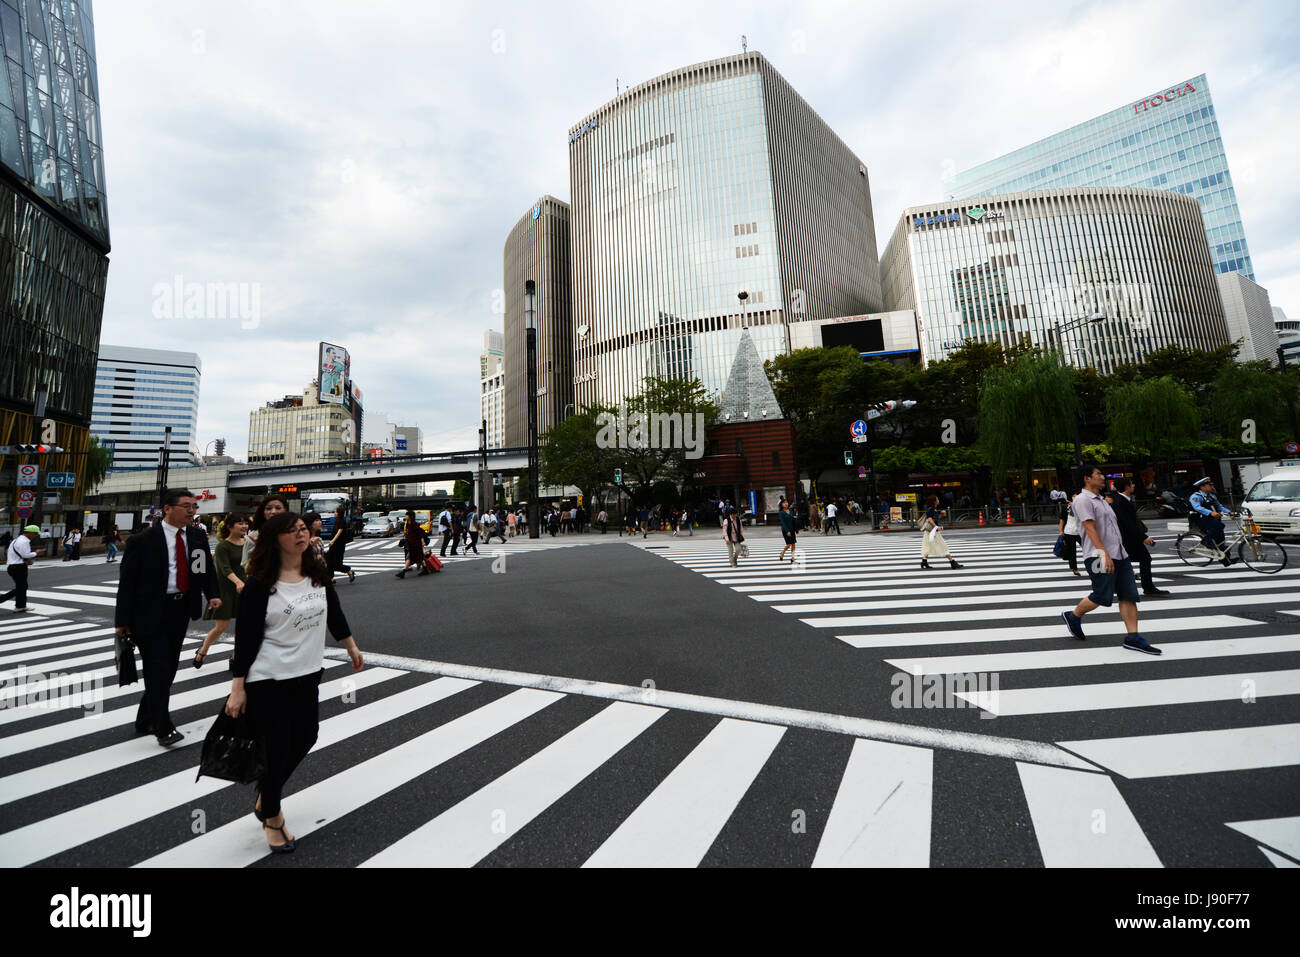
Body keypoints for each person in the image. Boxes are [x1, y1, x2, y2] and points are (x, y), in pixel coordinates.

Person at [226, 511, 364, 854]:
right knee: (277, 747)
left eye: (303, 528)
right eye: (291, 531)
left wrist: (350, 645)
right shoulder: (260, 583)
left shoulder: (316, 571)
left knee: (307, 735)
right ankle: (272, 814)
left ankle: (266, 796)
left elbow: (332, 608)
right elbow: (246, 638)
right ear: (275, 540)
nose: (300, 535)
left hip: (307, 673)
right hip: (268, 678)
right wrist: (237, 686)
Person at [114, 488, 222, 746]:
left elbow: (202, 568)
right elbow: (127, 584)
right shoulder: (143, 541)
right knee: (158, 667)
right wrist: (121, 621)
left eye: (194, 507)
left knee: (167, 668)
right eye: (186, 506)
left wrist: (213, 594)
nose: (191, 511)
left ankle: (144, 719)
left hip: (181, 609)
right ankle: (163, 727)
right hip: (148, 612)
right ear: (167, 509)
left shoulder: (196, 536)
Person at [1061, 465, 1160, 655]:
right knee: (1101, 595)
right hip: (1098, 555)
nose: (1102, 477)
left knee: (1129, 595)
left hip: (1120, 554)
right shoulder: (1082, 500)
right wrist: (1104, 553)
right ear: (1086, 478)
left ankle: (1133, 637)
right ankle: (1073, 616)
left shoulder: (1103, 500)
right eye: (1098, 474)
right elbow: (1090, 529)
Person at [195, 513, 249, 668]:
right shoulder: (222, 546)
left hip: (244, 589)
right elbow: (225, 569)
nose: (244, 526)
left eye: (245, 523)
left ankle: (235, 658)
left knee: (242, 627)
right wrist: (238, 582)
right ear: (230, 527)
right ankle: (203, 651)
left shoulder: (248, 543)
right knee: (221, 627)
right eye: (240, 523)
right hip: (225, 590)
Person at [1110, 476, 1168, 596]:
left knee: (1127, 561)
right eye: (1132, 484)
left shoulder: (1123, 500)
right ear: (1127, 486)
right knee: (1143, 559)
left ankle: (1119, 585)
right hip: (1127, 539)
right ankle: (1147, 587)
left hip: (1128, 538)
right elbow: (1128, 523)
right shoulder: (1121, 502)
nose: (1134, 486)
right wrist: (1143, 537)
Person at [1189, 476, 1233, 567]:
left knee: (1221, 540)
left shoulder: (1212, 496)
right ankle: (1206, 541)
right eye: (1209, 485)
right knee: (1220, 526)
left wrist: (1229, 512)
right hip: (1200, 520)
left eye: (1211, 485)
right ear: (1202, 487)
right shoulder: (1196, 496)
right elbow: (1197, 507)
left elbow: (1219, 506)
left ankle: (1226, 560)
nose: (1212, 487)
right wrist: (1211, 512)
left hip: (1212, 520)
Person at [1, 525, 41, 612]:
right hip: (19, 567)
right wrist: (35, 553)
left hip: (13, 566)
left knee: (22, 587)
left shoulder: (17, 540)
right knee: (21, 587)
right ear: (30, 533)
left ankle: (20, 606)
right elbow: (25, 555)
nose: (35, 536)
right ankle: (14, 604)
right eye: (35, 534)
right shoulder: (24, 542)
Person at [243, 494, 289, 567]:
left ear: (285, 510)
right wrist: (261, 548)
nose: (273, 512)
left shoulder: (292, 533)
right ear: (263, 512)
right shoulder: (254, 535)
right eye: (268, 508)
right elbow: (246, 566)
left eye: (278, 508)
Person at [918, 495, 963, 569]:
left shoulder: (934, 509)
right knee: (943, 545)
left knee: (928, 546)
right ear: (934, 501)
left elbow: (934, 519)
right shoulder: (931, 509)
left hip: (930, 532)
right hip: (932, 532)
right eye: (937, 499)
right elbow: (929, 519)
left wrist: (941, 515)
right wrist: (936, 527)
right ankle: (952, 562)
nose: (938, 500)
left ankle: (924, 561)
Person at [324, 506, 356, 583]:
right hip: (334, 546)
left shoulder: (342, 521)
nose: (334, 513)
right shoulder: (336, 521)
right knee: (329, 561)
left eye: (335, 512)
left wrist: (332, 541)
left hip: (339, 546)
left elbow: (339, 531)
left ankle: (349, 571)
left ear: (339, 513)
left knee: (336, 564)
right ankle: (330, 578)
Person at [398, 510, 431, 578]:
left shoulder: (414, 524)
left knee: (410, 557)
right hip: (411, 544)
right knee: (419, 557)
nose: (405, 516)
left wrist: (422, 542)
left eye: (407, 515)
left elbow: (420, 534)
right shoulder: (407, 524)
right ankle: (425, 569)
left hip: (416, 544)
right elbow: (408, 533)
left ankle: (403, 572)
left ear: (411, 516)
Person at [1057, 491, 1082, 576]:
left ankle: (1091, 565)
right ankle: (1075, 569)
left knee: (1088, 549)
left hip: (1081, 532)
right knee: (1072, 552)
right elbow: (1062, 520)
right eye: (1074, 496)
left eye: (1077, 496)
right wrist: (1061, 530)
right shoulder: (1066, 508)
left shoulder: (1083, 507)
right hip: (1069, 532)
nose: (1075, 498)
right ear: (1071, 497)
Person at [778, 499, 798, 564]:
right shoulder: (781, 512)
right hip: (785, 530)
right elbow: (783, 523)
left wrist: (796, 529)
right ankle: (782, 553)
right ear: (781, 505)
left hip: (792, 529)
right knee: (788, 544)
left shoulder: (790, 510)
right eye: (784, 503)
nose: (786, 504)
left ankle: (792, 557)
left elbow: (793, 520)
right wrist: (787, 531)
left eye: (786, 502)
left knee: (793, 544)